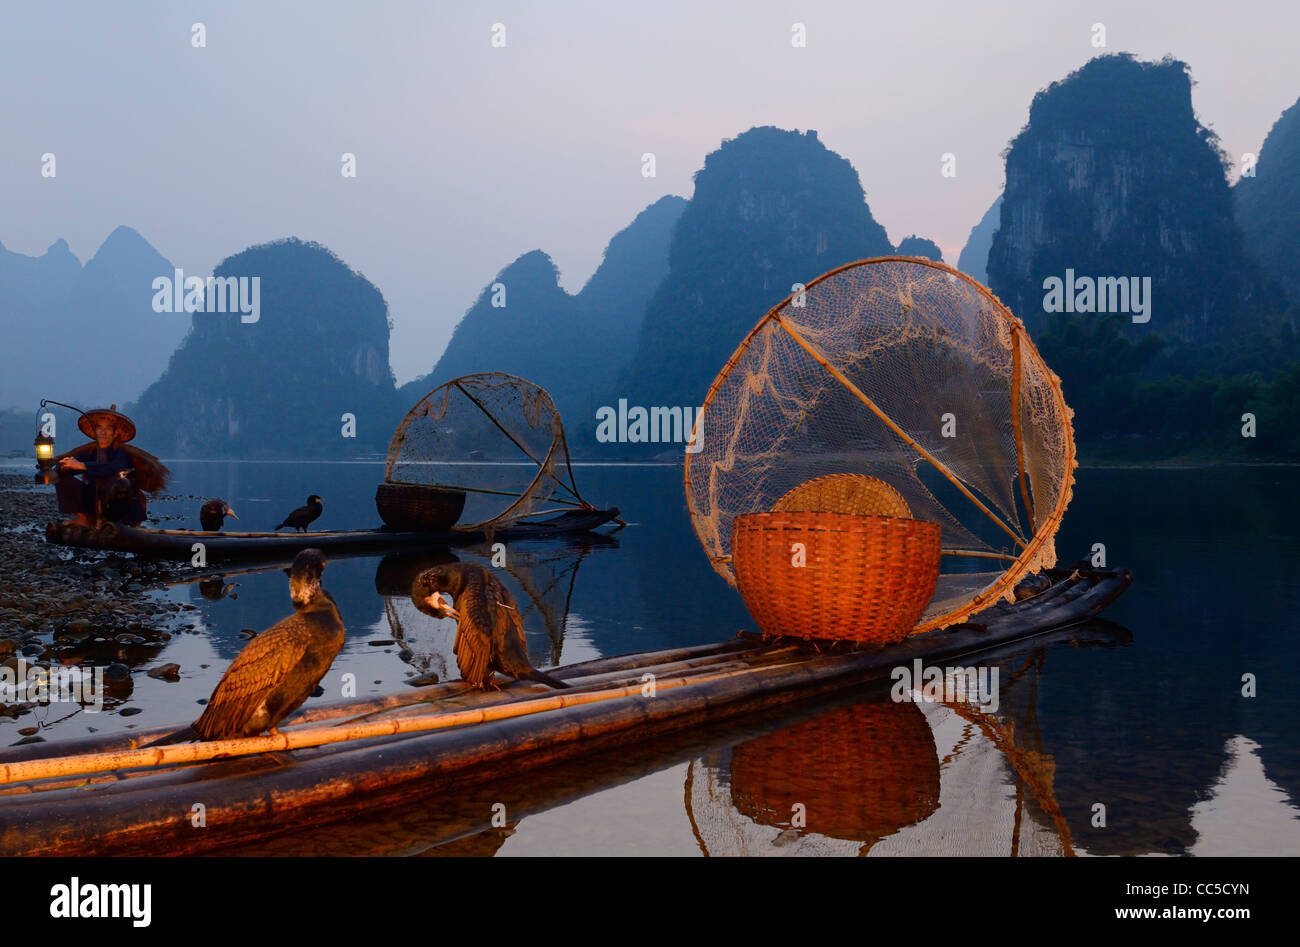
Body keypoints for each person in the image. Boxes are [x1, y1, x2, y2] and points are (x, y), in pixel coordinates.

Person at [55, 406, 154, 527]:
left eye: (108, 428)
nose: (103, 432)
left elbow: (113, 467)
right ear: (95, 431)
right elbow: (71, 465)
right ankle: (84, 519)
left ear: (114, 433)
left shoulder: (121, 452)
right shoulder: (90, 452)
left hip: (119, 503)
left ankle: (122, 523)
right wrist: (64, 465)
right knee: (60, 476)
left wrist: (82, 465)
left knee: (122, 483)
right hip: (93, 501)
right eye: (99, 428)